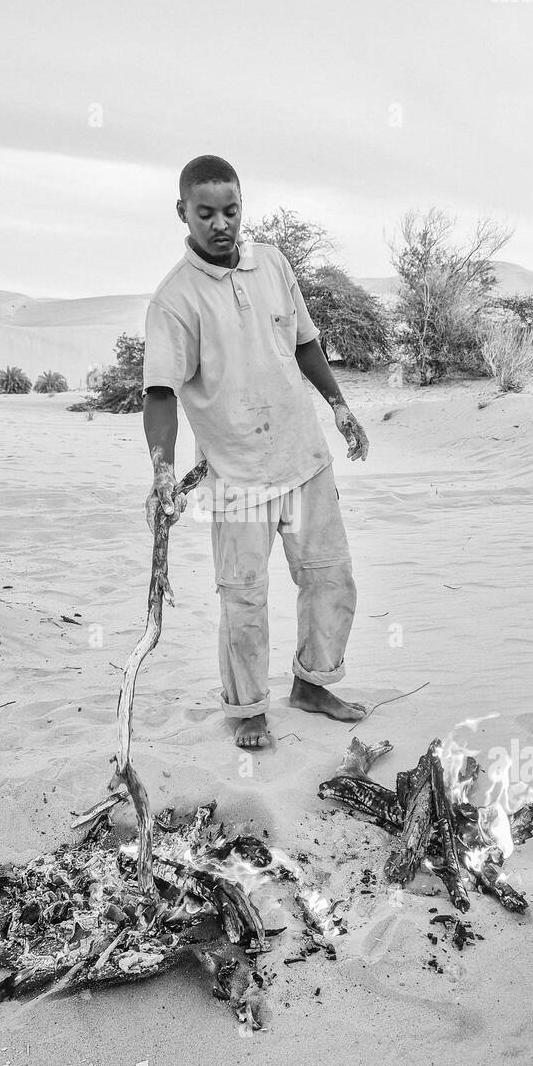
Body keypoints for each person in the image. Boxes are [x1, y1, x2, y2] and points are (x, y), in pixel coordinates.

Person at [142, 154, 369, 749]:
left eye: (231, 210)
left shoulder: (272, 264)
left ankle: (314, 683)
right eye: (206, 212)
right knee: (243, 596)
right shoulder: (175, 300)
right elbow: (161, 393)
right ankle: (246, 709)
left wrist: (340, 407)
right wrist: (162, 472)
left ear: (243, 207)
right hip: (237, 471)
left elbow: (307, 344)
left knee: (330, 578)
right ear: (183, 213)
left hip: (303, 457)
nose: (221, 224)